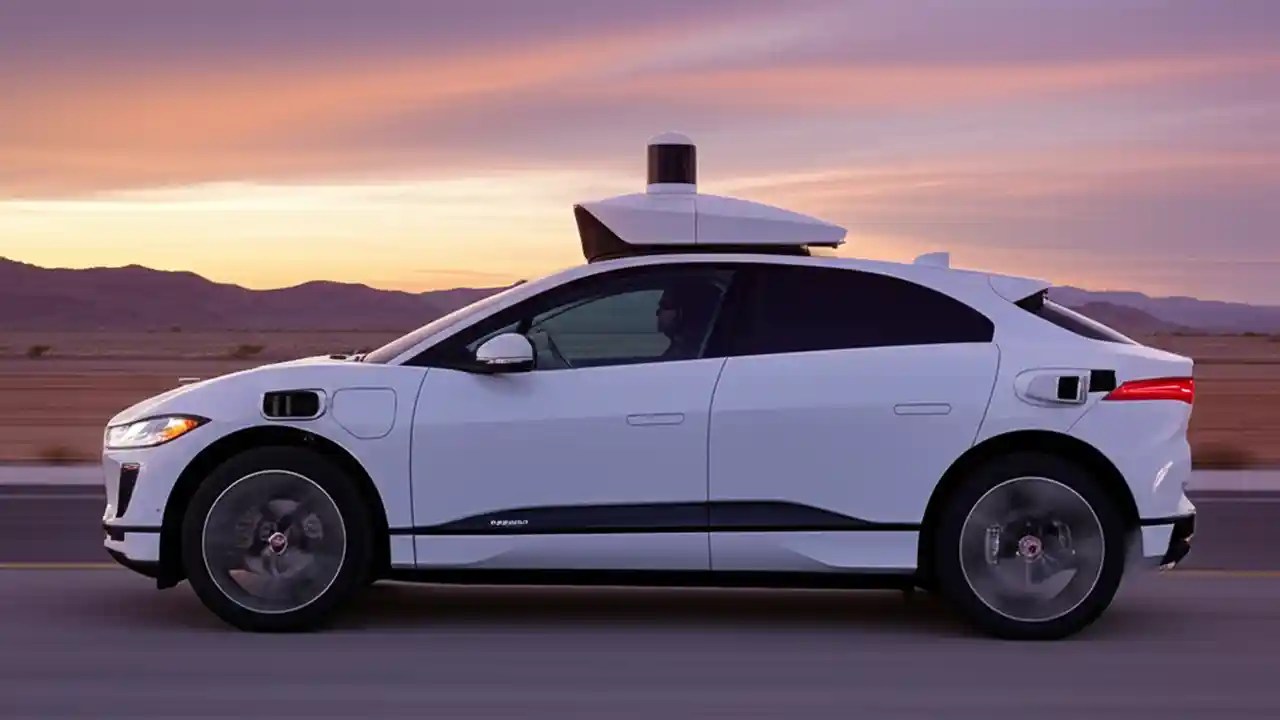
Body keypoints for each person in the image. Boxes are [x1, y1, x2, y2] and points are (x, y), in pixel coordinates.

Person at [656, 278, 723, 360]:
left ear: (682, 311)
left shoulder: (691, 355)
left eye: (665, 305)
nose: (657, 312)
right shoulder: (698, 350)